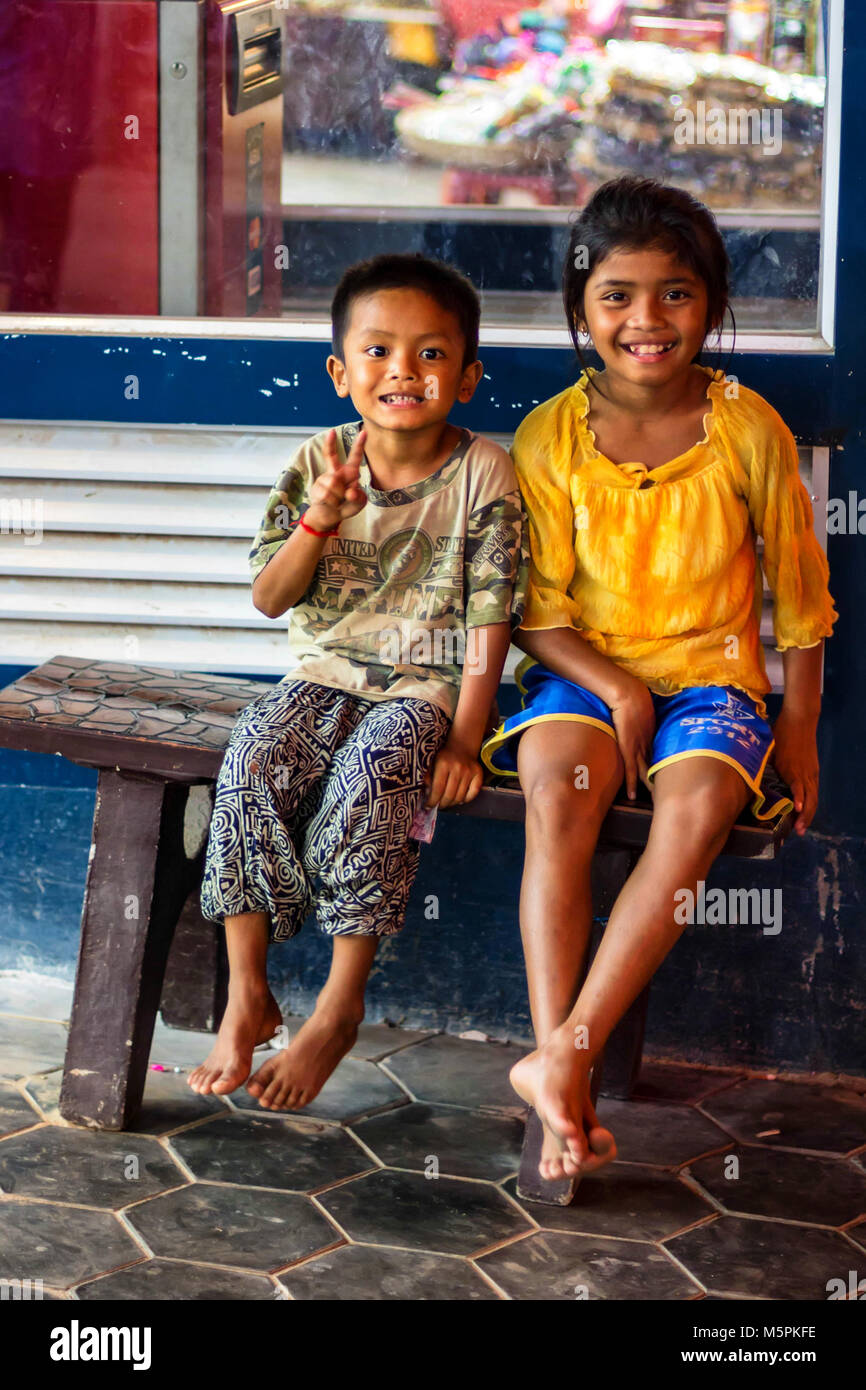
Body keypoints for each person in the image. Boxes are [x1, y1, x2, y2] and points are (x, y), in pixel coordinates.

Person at [480, 176, 838, 1183]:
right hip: (581, 677)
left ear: (710, 303)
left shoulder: (746, 429)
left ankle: (561, 1059)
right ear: (580, 310)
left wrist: (796, 726)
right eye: (617, 296)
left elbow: (800, 603)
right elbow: (536, 611)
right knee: (557, 791)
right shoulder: (549, 435)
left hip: (713, 685)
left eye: (674, 294)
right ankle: (566, 1072)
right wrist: (618, 691)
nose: (646, 320)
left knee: (691, 818)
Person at [189, 253, 525, 1109]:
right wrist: (318, 521)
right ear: (342, 373)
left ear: (468, 375)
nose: (403, 372)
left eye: (430, 354)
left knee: (372, 777)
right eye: (377, 352)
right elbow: (269, 599)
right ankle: (246, 992)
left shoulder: (485, 472)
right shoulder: (319, 459)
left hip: (426, 689)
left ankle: (339, 1006)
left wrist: (464, 737)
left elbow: (492, 620)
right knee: (254, 757)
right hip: (323, 672)